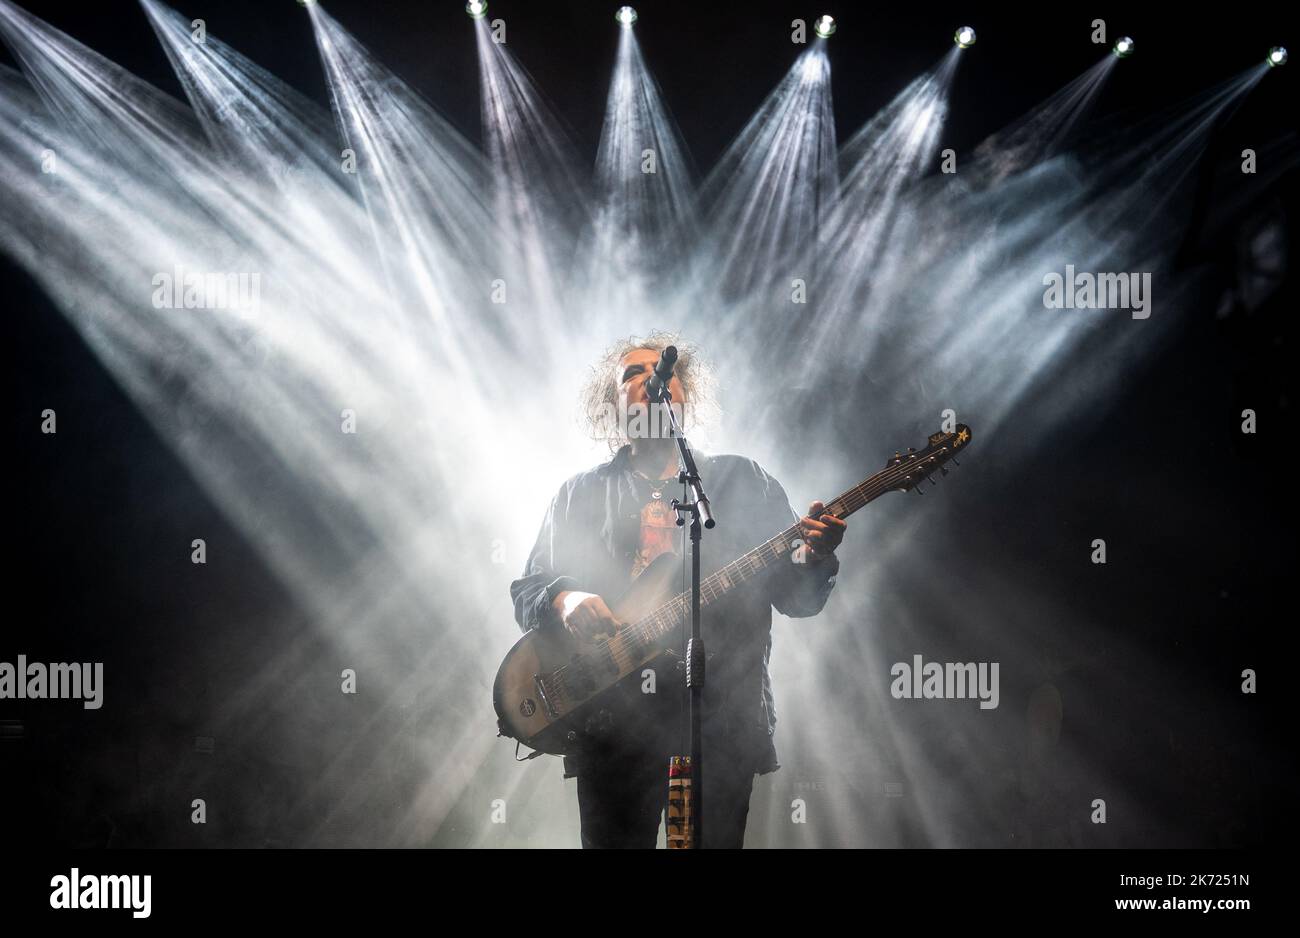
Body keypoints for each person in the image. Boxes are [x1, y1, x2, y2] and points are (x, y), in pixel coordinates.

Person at [510, 333, 846, 848]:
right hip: (614, 724)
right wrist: (565, 597)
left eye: (663, 371)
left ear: (685, 396)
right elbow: (528, 587)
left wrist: (814, 556)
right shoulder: (580, 494)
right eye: (631, 374)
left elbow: (797, 599)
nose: (651, 378)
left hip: (718, 723)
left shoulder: (743, 481)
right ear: (613, 407)